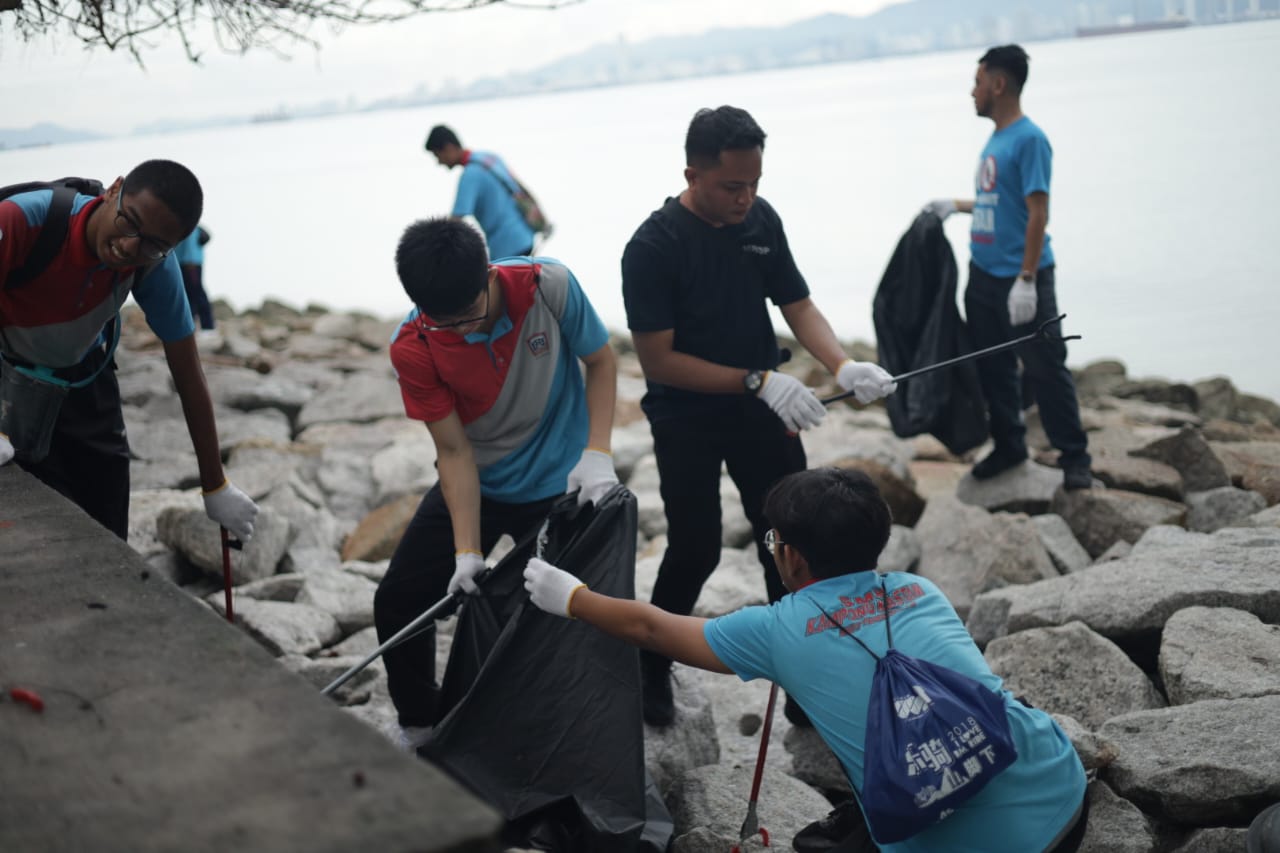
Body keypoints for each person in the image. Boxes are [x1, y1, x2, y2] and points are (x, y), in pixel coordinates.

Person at [522, 467, 1089, 853]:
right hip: (1062, 791)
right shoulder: (921, 590)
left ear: (789, 555)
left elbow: (651, 626)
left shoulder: (776, 629)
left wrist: (571, 597)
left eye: (772, 540)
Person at [620, 104, 897, 727]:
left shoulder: (761, 220)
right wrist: (758, 380)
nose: (745, 198)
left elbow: (797, 304)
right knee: (695, 547)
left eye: (755, 184)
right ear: (692, 174)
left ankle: (803, 676)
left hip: (762, 410)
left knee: (790, 540)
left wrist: (842, 366)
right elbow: (658, 361)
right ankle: (650, 663)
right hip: (686, 414)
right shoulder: (652, 247)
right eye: (731, 187)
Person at [375, 216, 618, 752]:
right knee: (399, 600)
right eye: (446, 323)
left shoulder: (547, 285)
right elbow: (455, 451)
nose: (461, 330)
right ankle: (421, 724)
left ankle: (573, 728)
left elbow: (600, 361)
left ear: (487, 273)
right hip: (480, 484)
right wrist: (466, 550)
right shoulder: (414, 344)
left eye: (469, 315)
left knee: (572, 611)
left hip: (563, 487)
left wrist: (597, 453)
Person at [0, 160, 258, 543]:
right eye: (129, 221)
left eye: (154, 243)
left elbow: (188, 373)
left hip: (82, 375)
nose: (129, 247)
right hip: (9, 373)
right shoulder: (22, 220)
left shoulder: (155, 265)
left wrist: (215, 486)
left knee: (106, 510)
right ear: (114, 190)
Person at [923, 44, 1092, 490]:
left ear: (998, 84)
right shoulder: (997, 138)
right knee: (992, 367)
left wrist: (1027, 280)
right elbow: (997, 201)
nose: (972, 91)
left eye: (977, 81)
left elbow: (1038, 212)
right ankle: (1009, 444)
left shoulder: (1030, 138)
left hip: (1021, 279)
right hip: (982, 277)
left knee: (1045, 367)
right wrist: (954, 206)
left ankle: (1075, 458)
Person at [424, 124, 537, 260]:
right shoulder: (489, 157)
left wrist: (431, 248)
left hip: (507, 246)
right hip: (525, 234)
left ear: (449, 148)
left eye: (437, 155)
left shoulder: (470, 175)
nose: (439, 162)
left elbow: (455, 222)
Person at [175, 224, 215, 331]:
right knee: (187, 294)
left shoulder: (190, 225)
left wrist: (190, 260)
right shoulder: (179, 223)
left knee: (197, 293)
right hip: (181, 263)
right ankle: (189, 325)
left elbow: (190, 244)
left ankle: (208, 326)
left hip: (190, 263)